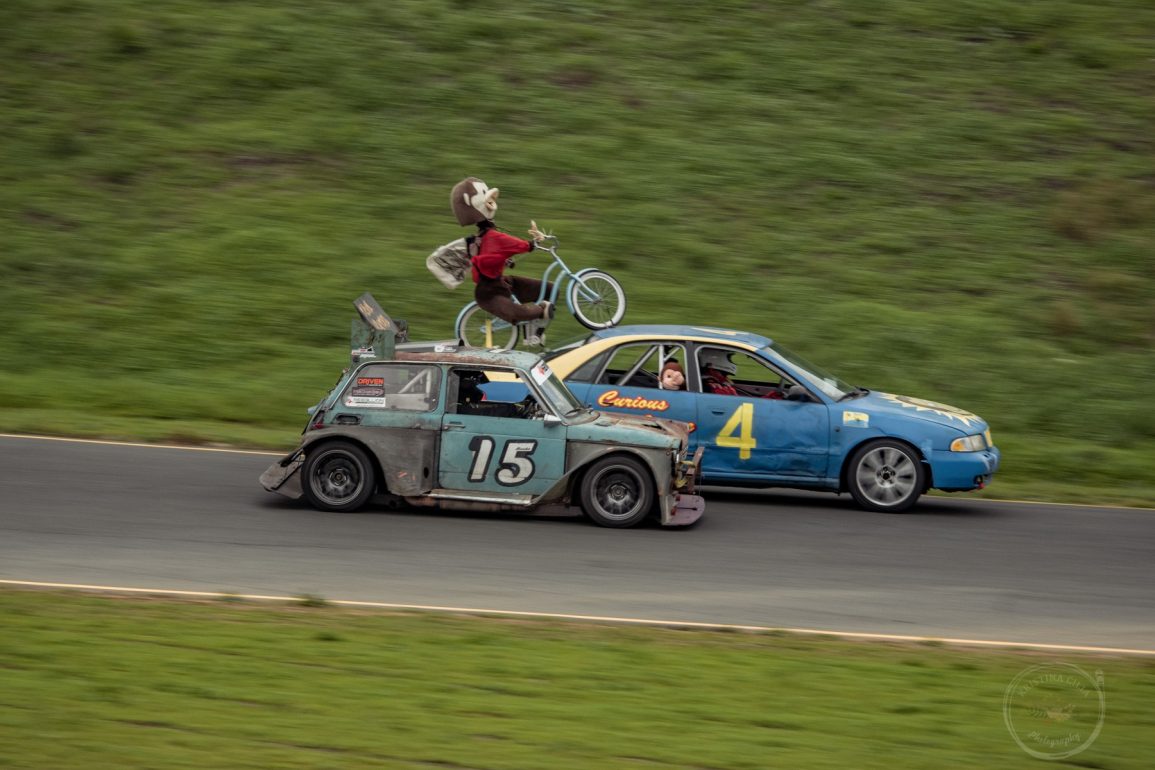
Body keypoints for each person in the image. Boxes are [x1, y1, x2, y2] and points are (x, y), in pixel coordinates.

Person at [450, 177, 554, 344]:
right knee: (524, 311)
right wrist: (531, 244)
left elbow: (494, 254)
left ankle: (533, 331)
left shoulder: (484, 236)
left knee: (549, 289)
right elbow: (513, 244)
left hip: (502, 283)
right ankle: (535, 320)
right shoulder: (492, 236)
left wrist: (506, 260)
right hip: (489, 292)